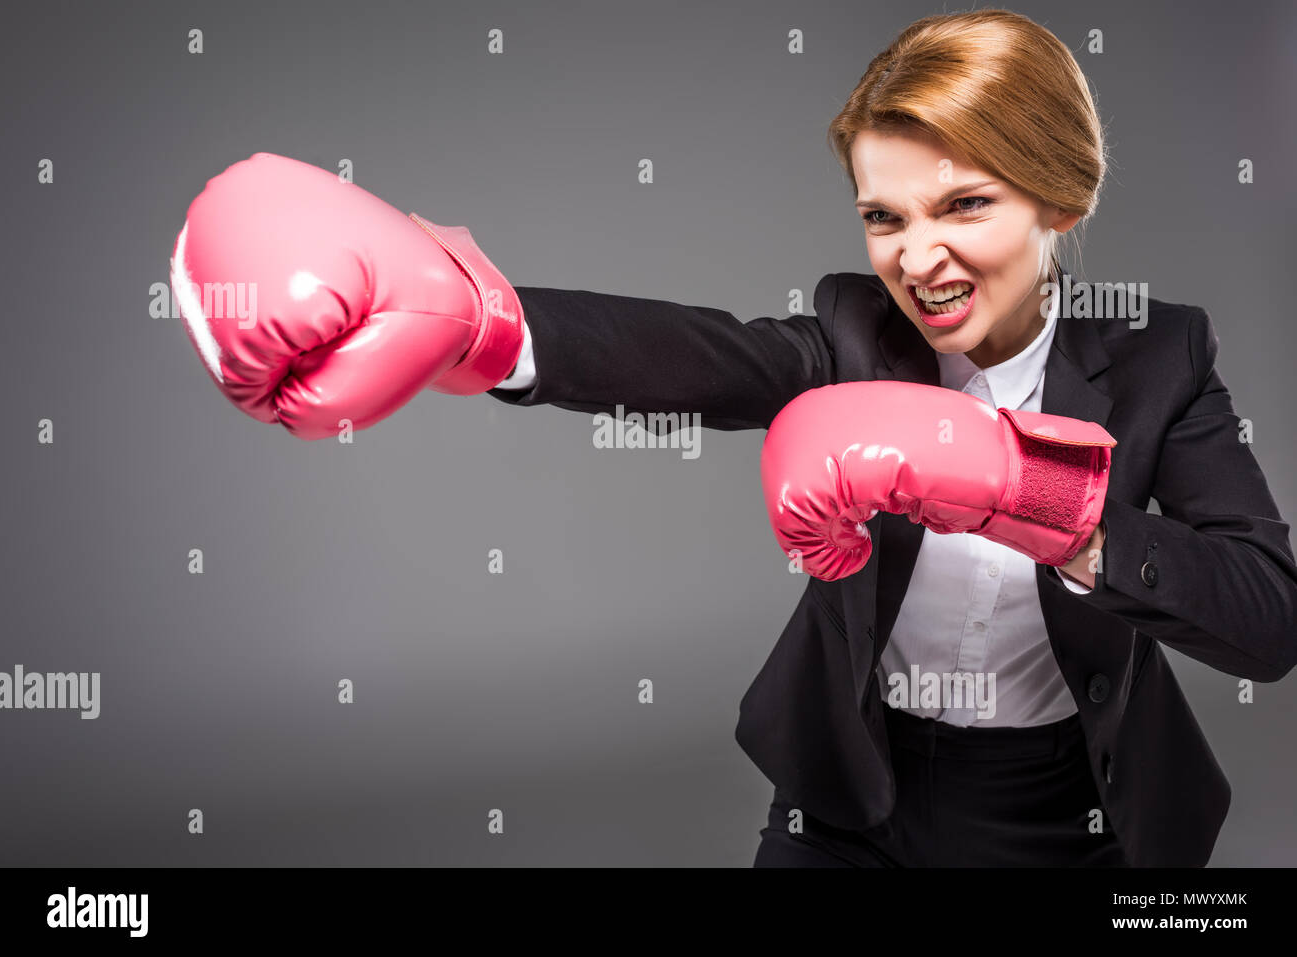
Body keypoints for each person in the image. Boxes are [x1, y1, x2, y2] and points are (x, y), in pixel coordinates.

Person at [169, 9, 1297, 867]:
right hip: (852, 795)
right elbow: (698, 356)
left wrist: (1037, 497)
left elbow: (1267, 614)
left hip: (1067, 808)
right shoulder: (857, 331)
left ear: (1057, 200)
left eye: (964, 206)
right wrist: (492, 323)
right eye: (883, 216)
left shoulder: (1160, 357)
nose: (917, 259)